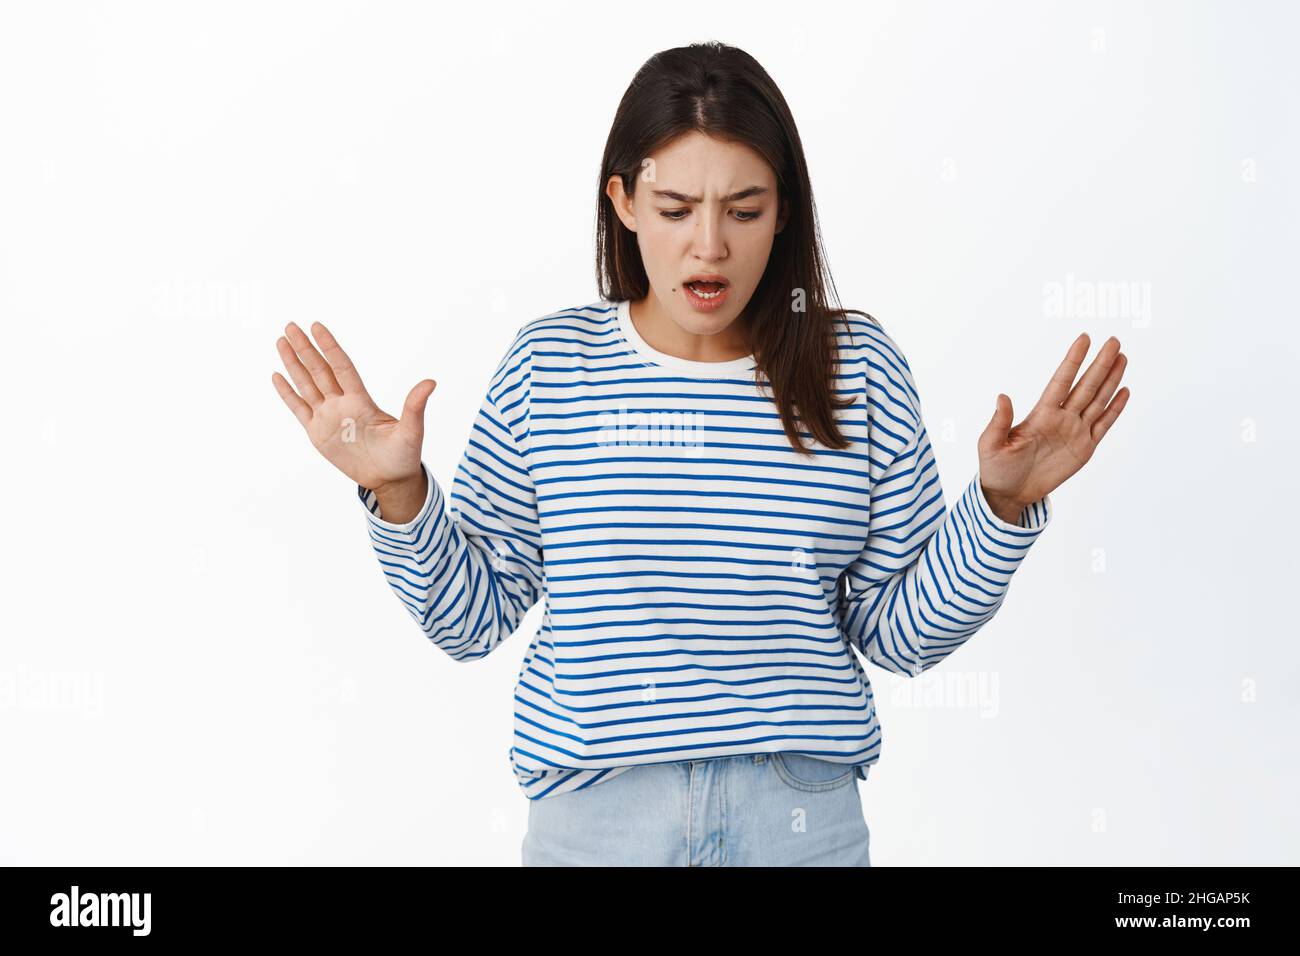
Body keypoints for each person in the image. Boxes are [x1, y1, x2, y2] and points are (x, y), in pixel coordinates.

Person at [270, 42, 1130, 866]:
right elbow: (471, 620)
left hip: (799, 823)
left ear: (784, 210)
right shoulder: (548, 369)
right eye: (677, 209)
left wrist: (1001, 510)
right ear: (625, 203)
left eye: (744, 210)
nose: (709, 245)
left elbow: (898, 633)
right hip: (599, 825)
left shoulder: (857, 368)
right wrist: (400, 491)